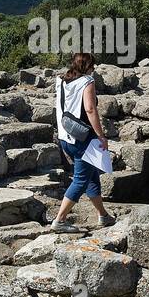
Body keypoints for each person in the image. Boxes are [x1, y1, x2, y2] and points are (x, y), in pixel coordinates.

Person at [52, 51, 115, 230]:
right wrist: (101, 136)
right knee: (80, 179)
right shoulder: (87, 81)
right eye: (92, 66)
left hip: (65, 136)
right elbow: (89, 109)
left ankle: (103, 216)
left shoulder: (62, 80)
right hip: (82, 138)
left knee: (91, 176)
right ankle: (60, 220)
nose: (94, 69)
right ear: (87, 66)